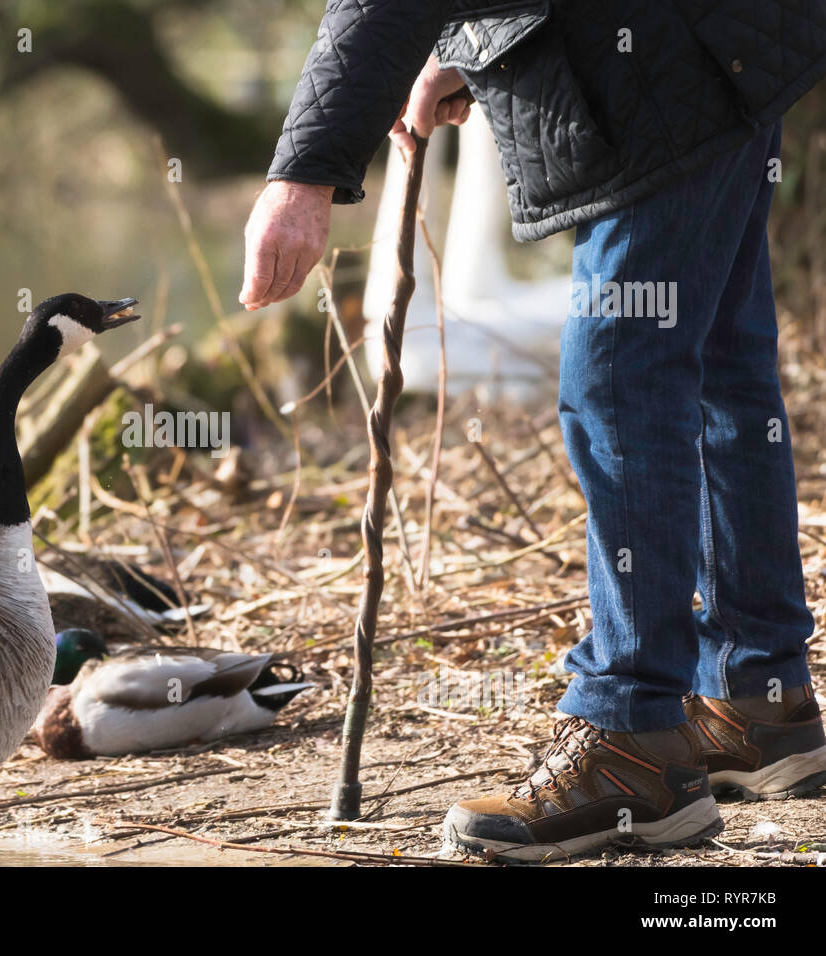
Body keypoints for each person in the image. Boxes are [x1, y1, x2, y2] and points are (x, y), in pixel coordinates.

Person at [243, 1, 826, 860]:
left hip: (668, 56)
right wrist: (464, 46)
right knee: (717, 362)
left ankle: (631, 739)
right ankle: (756, 698)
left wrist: (303, 175)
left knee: (622, 371)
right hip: (719, 36)